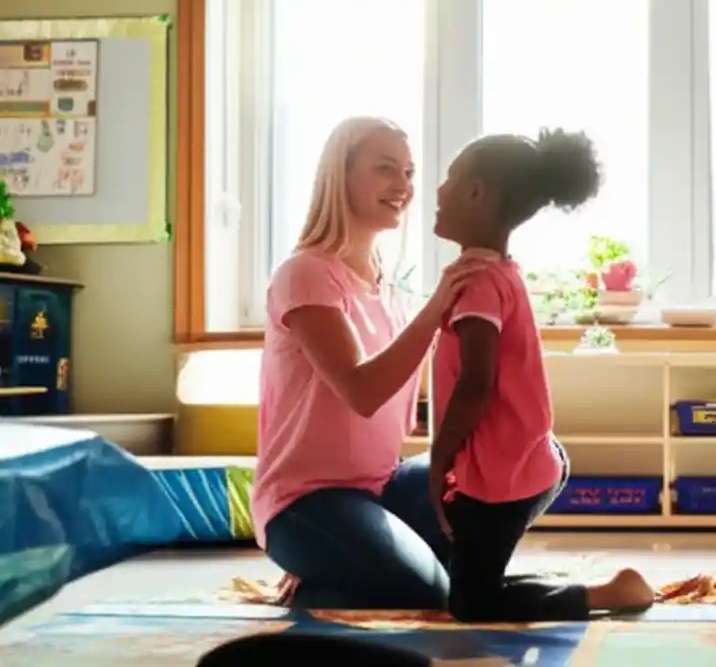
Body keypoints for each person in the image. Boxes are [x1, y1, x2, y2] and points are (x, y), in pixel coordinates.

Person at [252, 116, 481, 609]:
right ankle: (322, 572)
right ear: (342, 175)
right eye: (385, 169)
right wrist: (437, 307)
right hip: (305, 504)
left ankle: (353, 565)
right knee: (429, 591)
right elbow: (362, 391)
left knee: (522, 465)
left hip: (382, 488)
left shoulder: (391, 292)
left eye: (409, 171)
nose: (403, 185)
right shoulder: (305, 274)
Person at [430, 128, 655, 622]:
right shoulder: (497, 272)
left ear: (475, 192)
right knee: (470, 581)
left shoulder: (478, 285)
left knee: (471, 603)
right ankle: (579, 586)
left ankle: (604, 594)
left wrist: (438, 457)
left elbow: (476, 384)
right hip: (531, 460)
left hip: (503, 478)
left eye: (450, 179)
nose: (439, 190)